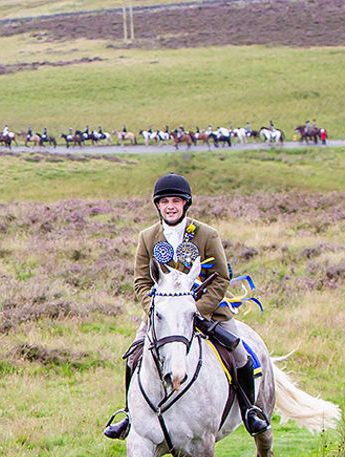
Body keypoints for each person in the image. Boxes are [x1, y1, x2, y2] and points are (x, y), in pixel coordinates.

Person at [103, 173, 270, 440]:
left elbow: (221, 277)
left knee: (240, 354)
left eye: (176, 201)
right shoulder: (147, 238)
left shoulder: (206, 234)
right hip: (163, 315)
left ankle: (250, 411)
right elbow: (141, 282)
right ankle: (129, 415)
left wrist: (197, 310)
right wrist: (153, 310)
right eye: (165, 201)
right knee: (133, 356)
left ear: (186, 204)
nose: (170, 206)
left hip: (207, 311)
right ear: (158, 205)